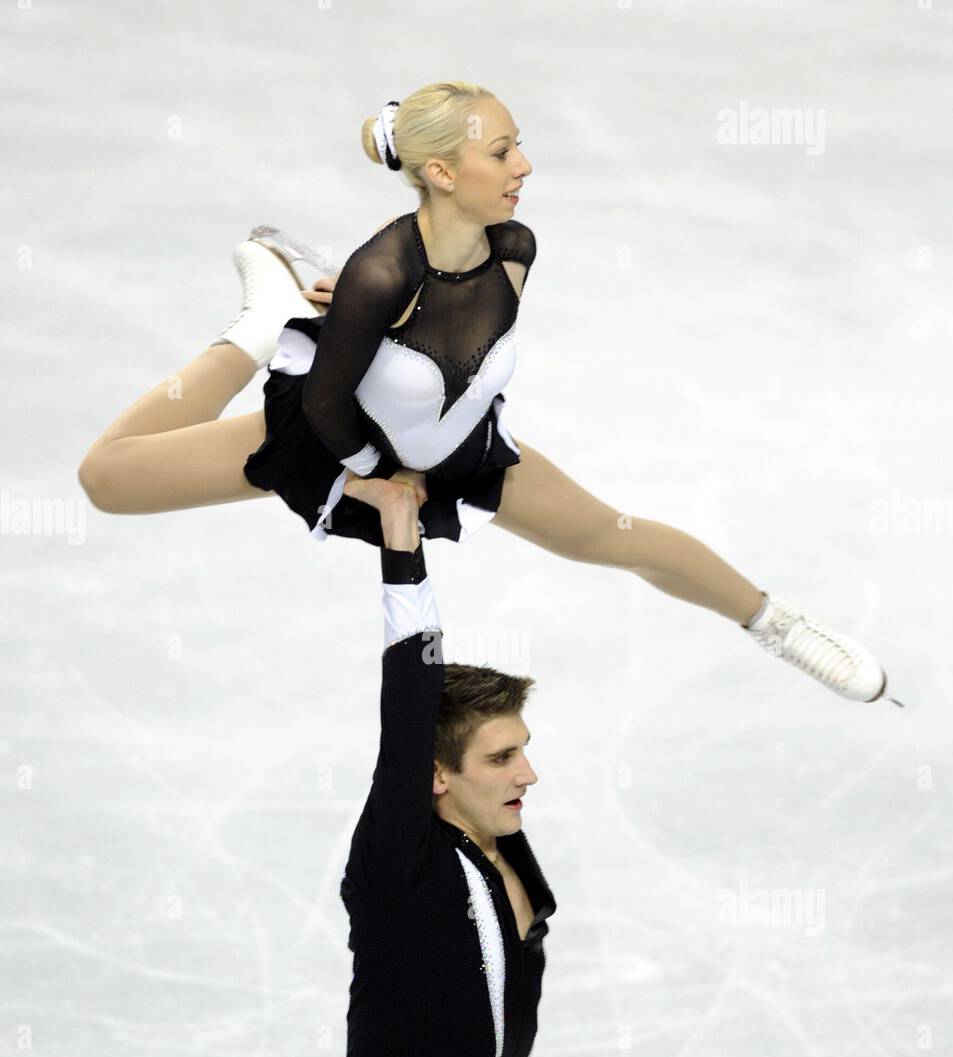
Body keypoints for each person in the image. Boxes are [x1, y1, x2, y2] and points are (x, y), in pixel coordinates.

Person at [77, 78, 902, 706]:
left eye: (517, 146)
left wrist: (431, 439)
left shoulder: (514, 247)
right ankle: (262, 322)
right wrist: (377, 470)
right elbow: (328, 405)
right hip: (339, 444)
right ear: (441, 171)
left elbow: (468, 353)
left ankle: (775, 624)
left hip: (458, 449)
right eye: (502, 151)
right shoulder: (378, 273)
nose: (524, 165)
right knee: (105, 482)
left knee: (612, 536)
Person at [272, 468, 555, 1057]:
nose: (529, 773)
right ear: (433, 776)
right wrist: (403, 540)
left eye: (523, 748)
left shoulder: (508, 853)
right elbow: (409, 697)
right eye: (501, 758)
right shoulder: (400, 867)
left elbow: (474, 1010)